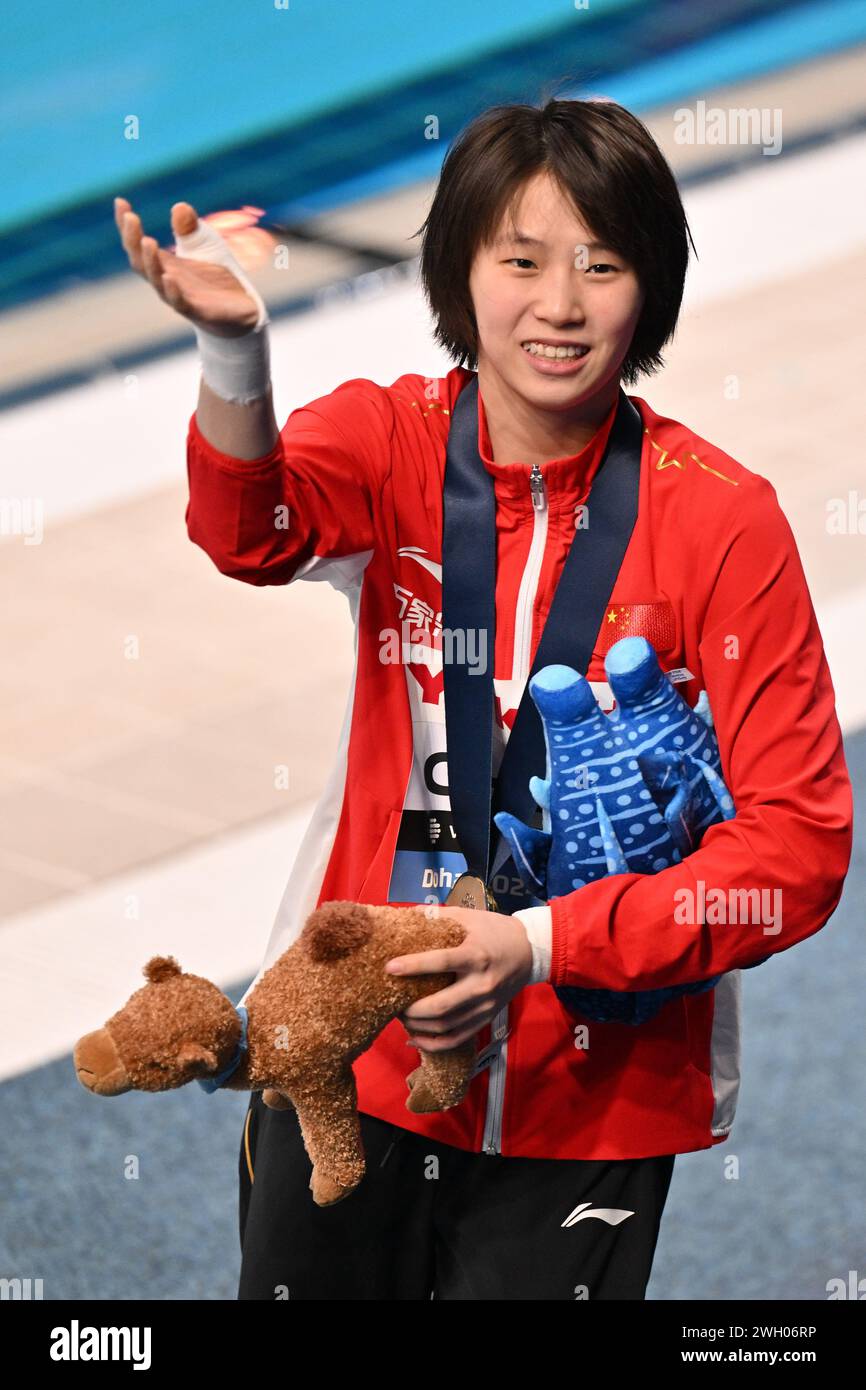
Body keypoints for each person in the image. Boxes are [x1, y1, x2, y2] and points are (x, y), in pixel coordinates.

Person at [114, 97, 853, 1301]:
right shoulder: (388, 441)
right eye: (519, 260)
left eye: (600, 265)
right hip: (350, 1056)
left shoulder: (720, 520)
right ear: (459, 270)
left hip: (592, 1098)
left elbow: (798, 847)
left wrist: (544, 944)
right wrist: (231, 353)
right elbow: (247, 530)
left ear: (649, 287)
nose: (557, 305)